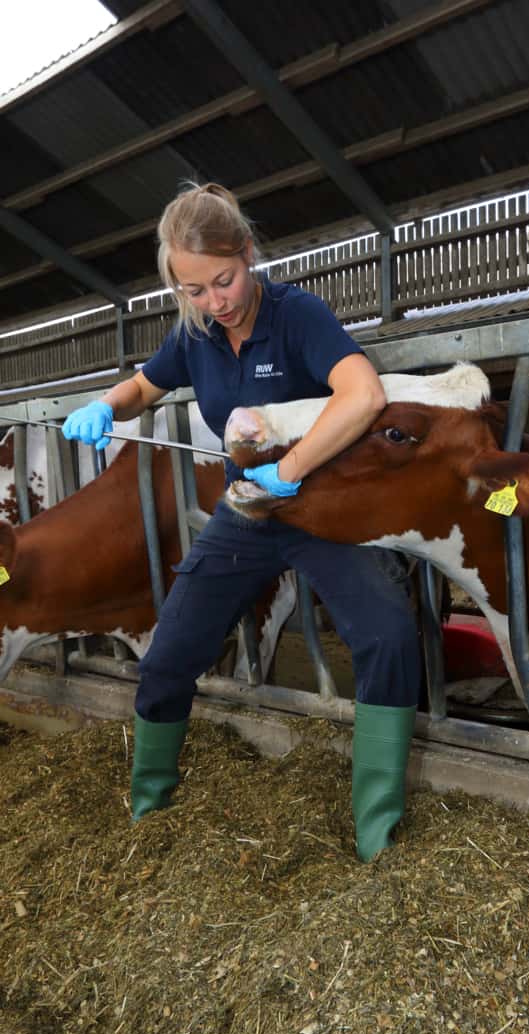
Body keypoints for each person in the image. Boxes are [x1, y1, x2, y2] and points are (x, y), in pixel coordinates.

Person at [62, 182, 420, 862]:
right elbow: (144, 386)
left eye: (222, 281)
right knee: (170, 652)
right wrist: (107, 404)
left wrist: (293, 468)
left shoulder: (296, 315)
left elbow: (364, 394)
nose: (214, 302)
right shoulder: (195, 333)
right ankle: (150, 806)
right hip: (248, 510)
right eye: (193, 290)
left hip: (320, 505)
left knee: (388, 634)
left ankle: (377, 832)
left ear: (247, 254)